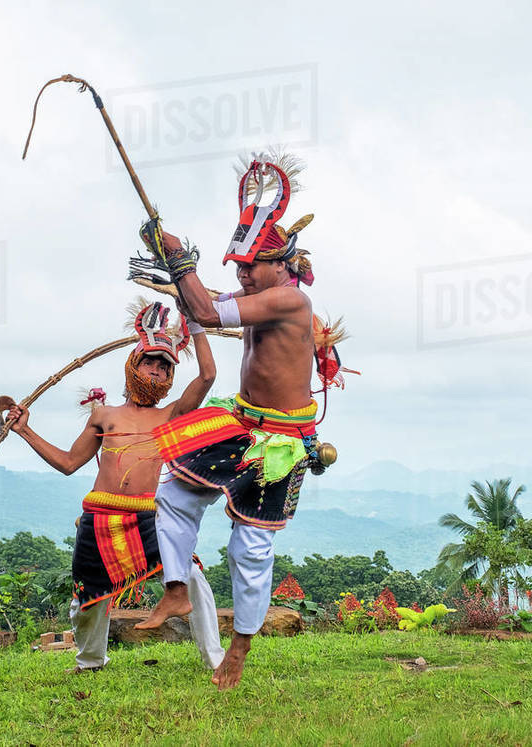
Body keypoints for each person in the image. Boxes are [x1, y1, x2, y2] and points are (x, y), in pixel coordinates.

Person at [130, 156, 330, 690]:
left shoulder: (290, 299)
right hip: (242, 424)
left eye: (250, 268)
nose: (241, 275)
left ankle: (239, 648)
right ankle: (176, 586)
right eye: (238, 267)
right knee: (173, 493)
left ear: (282, 265)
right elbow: (205, 305)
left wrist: (179, 259)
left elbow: (209, 311)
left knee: (250, 545)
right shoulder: (256, 295)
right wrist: (166, 252)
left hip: (282, 440)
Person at [5, 301, 224, 672]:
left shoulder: (171, 415)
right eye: (149, 362)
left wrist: (197, 325)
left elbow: (206, 377)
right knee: (87, 598)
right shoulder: (103, 415)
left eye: (164, 366)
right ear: (132, 364)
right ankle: (91, 660)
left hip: (152, 517)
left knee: (192, 579)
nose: (156, 371)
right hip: (101, 517)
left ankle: (215, 659)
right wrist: (24, 429)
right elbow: (68, 463)